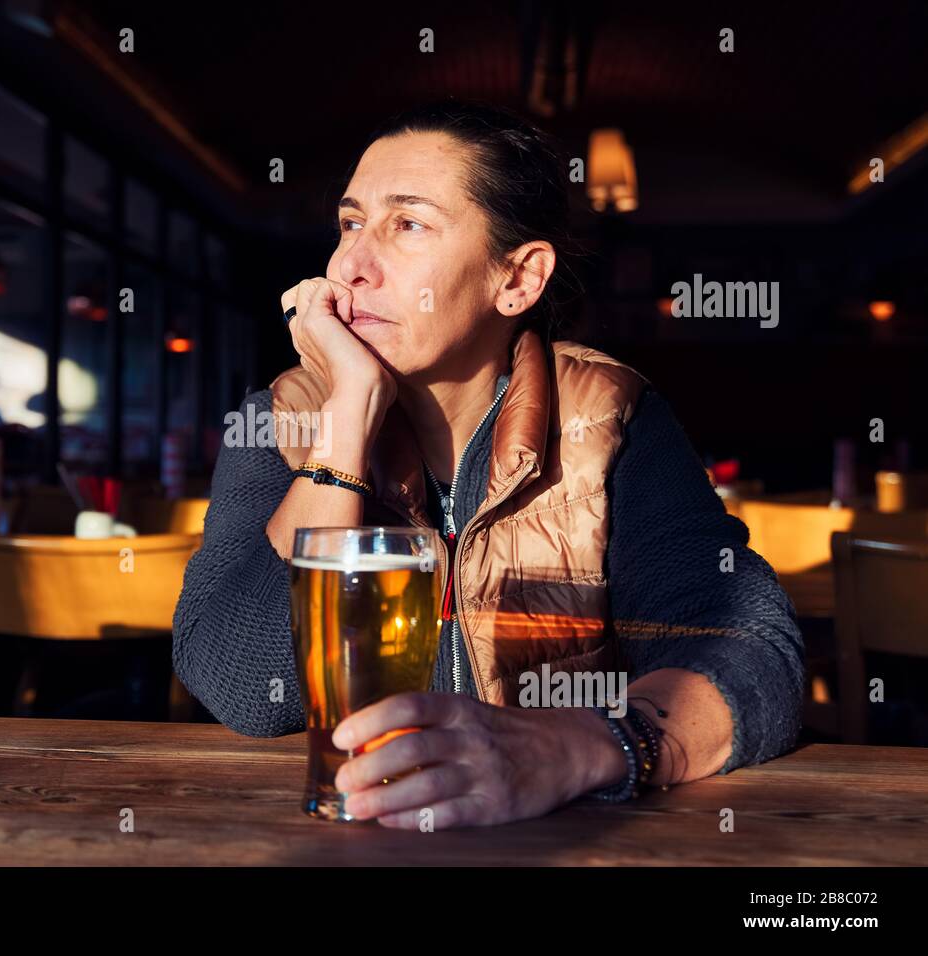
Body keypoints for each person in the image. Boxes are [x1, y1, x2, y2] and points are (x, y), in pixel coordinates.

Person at [172, 100, 804, 829]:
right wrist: (343, 430)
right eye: (349, 223)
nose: (349, 265)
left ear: (519, 279)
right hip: (341, 839)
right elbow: (245, 688)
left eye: (406, 224)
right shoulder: (280, 421)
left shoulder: (609, 419)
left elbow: (754, 653)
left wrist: (572, 749)